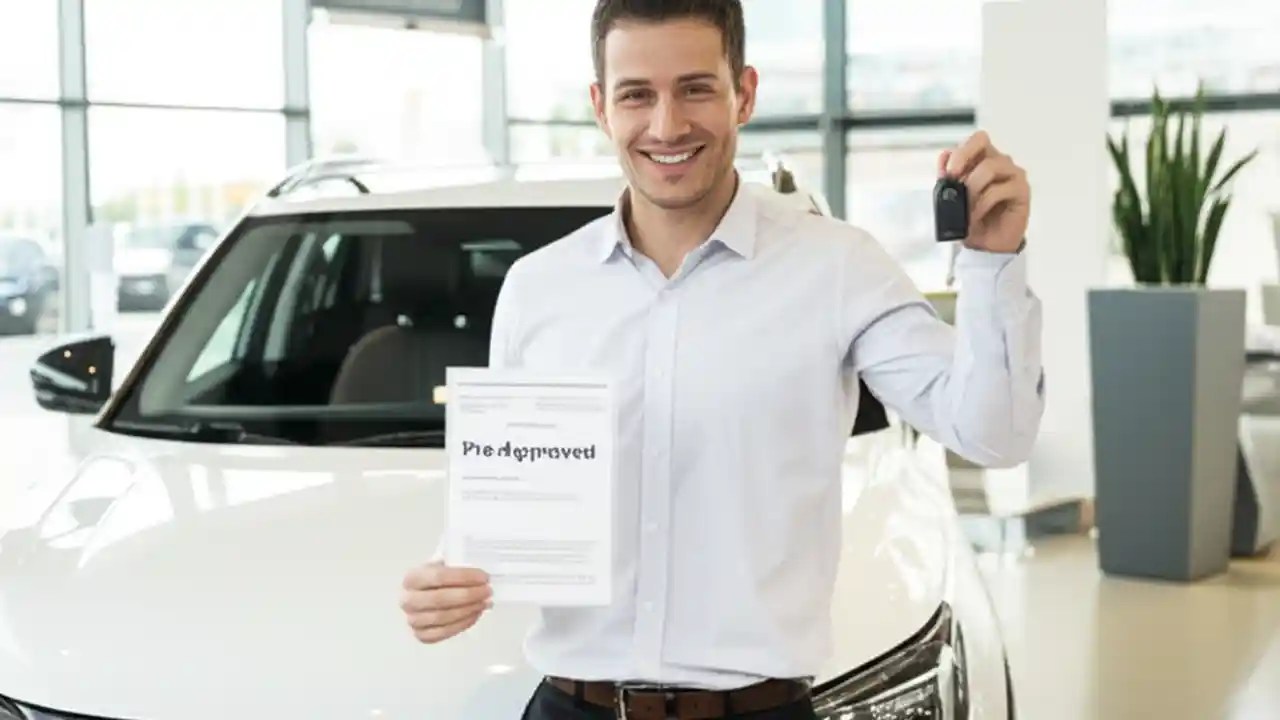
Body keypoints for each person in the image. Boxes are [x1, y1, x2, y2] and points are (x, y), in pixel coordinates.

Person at [399, 0, 1045, 717]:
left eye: (695, 88)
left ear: (744, 92)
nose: (667, 125)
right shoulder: (538, 289)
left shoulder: (837, 267)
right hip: (568, 705)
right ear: (600, 106)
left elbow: (994, 432)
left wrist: (993, 263)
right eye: (636, 94)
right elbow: (509, 486)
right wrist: (447, 573)